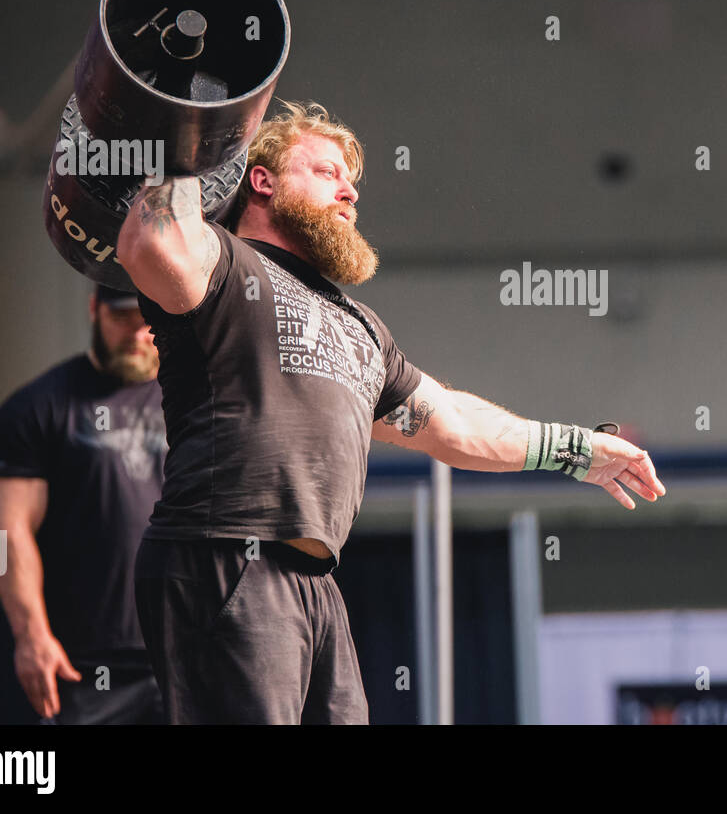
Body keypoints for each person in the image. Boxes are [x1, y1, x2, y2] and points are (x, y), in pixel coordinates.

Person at [116, 99, 665, 724]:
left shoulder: (361, 328)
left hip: (316, 583)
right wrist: (194, 130)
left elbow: (454, 424)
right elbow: (147, 241)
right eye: (326, 172)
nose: (349, 190)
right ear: (262, 182)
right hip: (225, 558)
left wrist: (577, 451)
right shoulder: (224, 264)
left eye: (352, 180)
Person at [0, 284, 166, 724]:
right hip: (82, 664)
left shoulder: (198, 403)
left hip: (186, 654)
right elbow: (8, 533)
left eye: (148, 322)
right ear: (94, 309)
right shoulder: (36, 408)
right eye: (123, 318)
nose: (138, 334)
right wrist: (31, 636)